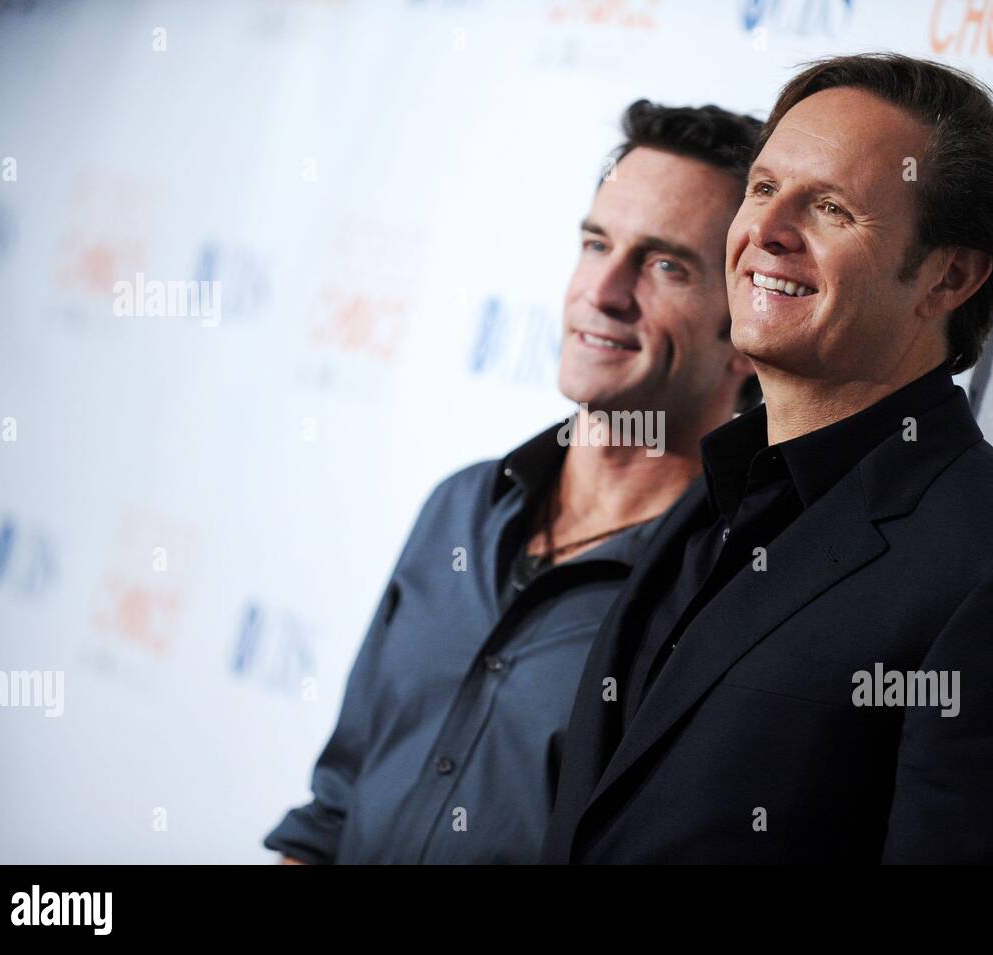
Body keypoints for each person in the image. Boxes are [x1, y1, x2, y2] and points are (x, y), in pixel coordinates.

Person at [542, 54, 993, 864]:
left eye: (829, 208)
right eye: (761, 189)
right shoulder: (706, 504)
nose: (767, 231)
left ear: (948, 276)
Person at [264, 99, 761, 863]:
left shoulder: (730, 589)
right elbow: (335, 809)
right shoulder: (462, 506)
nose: (603, 290)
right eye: (597, 243)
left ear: (746, 338)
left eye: (666, 264)